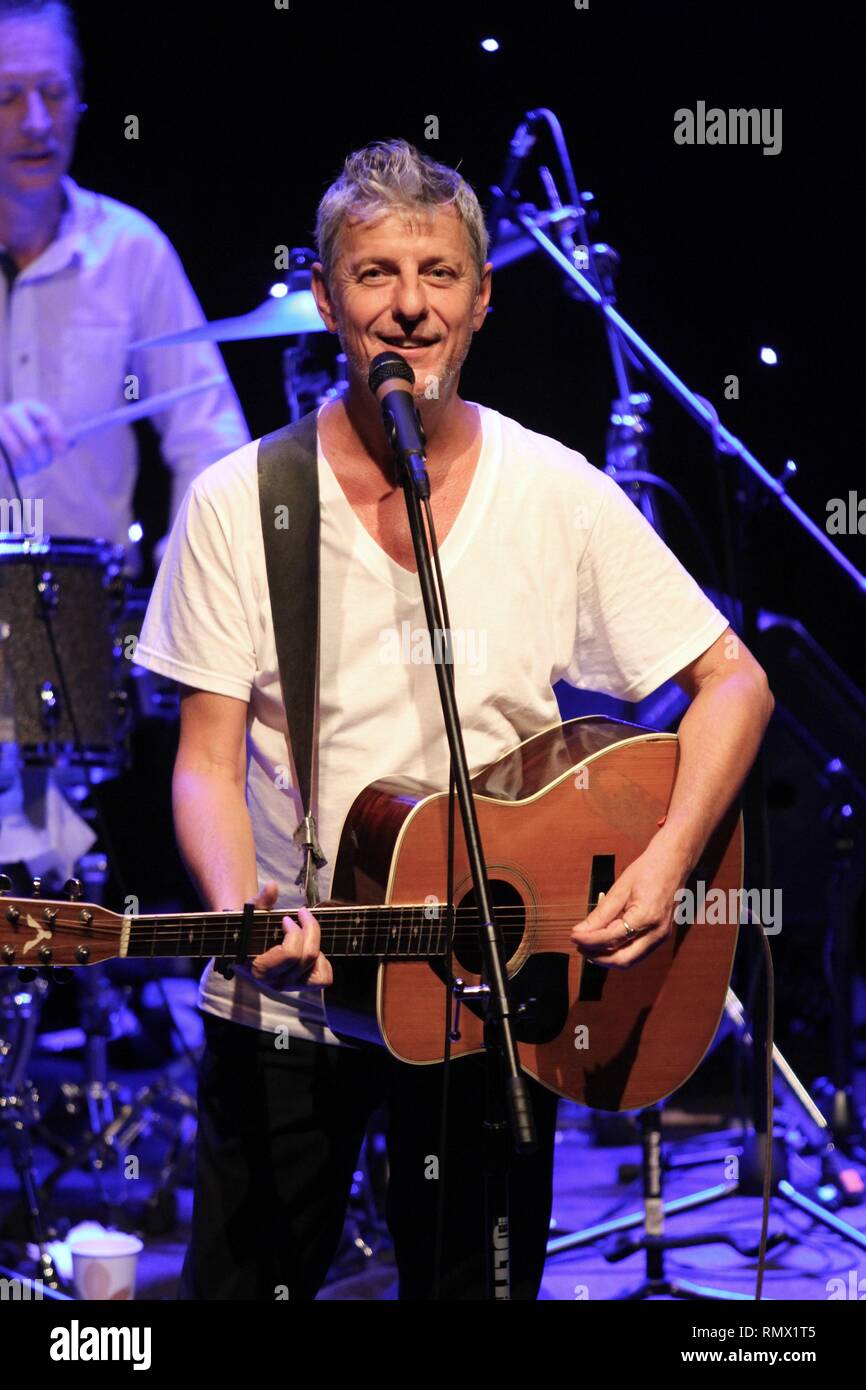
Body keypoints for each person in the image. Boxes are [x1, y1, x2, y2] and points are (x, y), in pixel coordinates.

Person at [134, 138, 775, 1301]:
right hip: (295, 990)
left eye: (437, 273)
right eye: (374, 273)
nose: (408, 306)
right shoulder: (242, 503)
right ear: (325, 299)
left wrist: (668, 861)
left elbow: (733, 682)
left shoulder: (556, 491)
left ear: (482, 300)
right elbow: (205, 761)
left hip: (492, 991)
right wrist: (241, 911)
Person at [0, 0, 249, 557]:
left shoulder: (132, 249)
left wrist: (190, 557)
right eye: (8, 96)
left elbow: (210, 434)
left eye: (55, 93)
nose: (38, 121)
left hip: (89, 612)